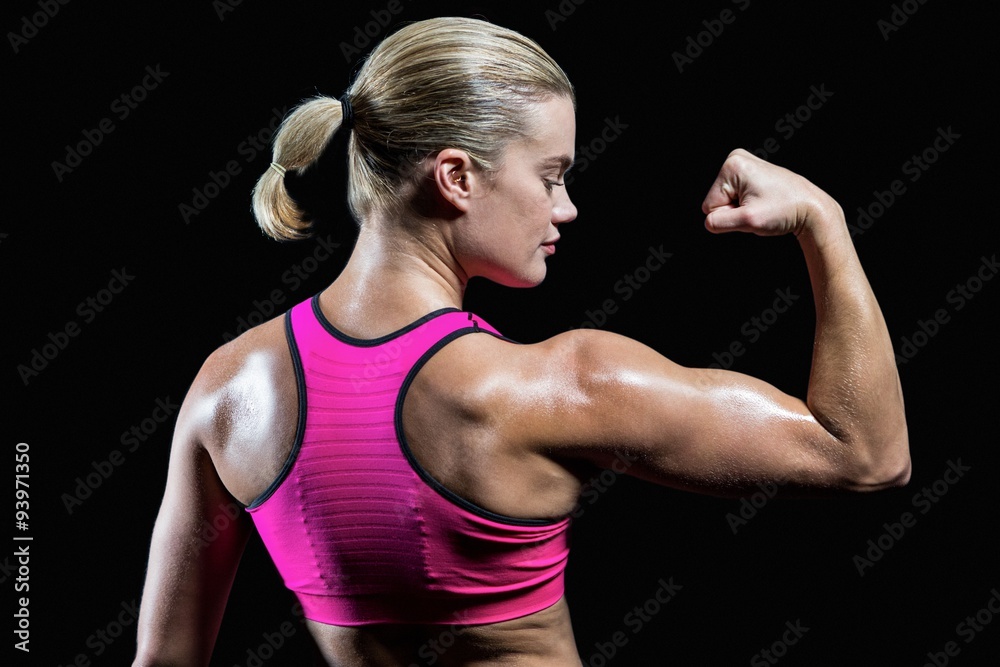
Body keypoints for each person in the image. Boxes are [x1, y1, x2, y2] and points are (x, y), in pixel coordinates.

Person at [132, 15, 910, 667]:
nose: (565, 207)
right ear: (457, 177)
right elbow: (866, 454)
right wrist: (822, 221)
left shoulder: (226, 389)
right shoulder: (560, 384)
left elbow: (163, 661)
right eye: (551, 175)